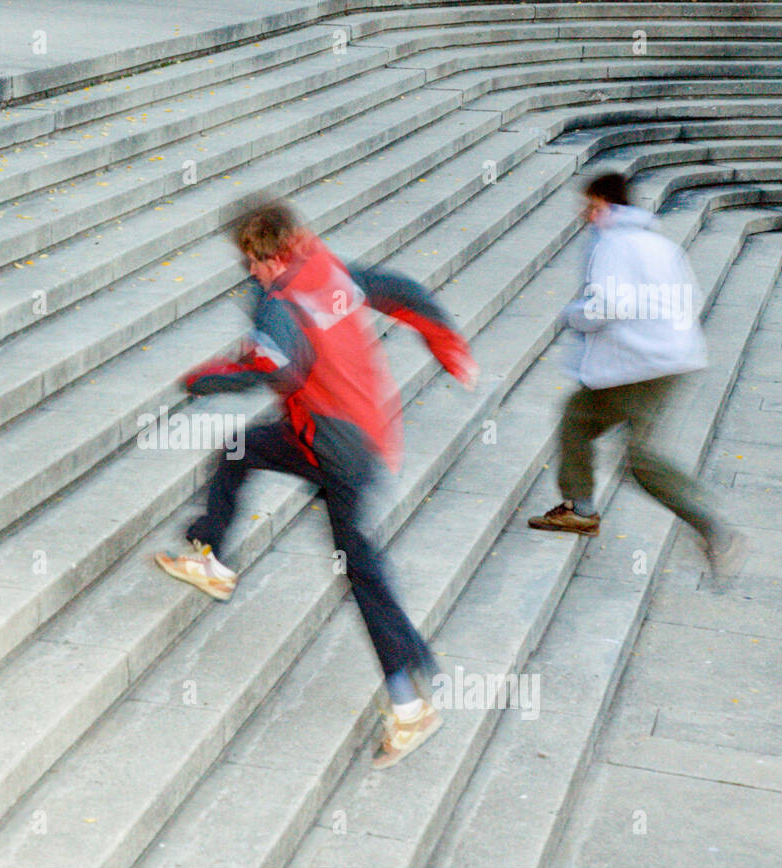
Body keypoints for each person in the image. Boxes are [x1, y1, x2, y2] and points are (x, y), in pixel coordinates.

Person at [155, 201, 478, 769]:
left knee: (361, 568)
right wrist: (447, 344)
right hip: (356, 431)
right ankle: (211, 556)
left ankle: (410, 705)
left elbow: (278, 367)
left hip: (335, 448)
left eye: (251, 264)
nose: (249, 274)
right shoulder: (327, 268)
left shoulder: (282, 299)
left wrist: (203, 379)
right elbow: (398, 290)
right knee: (242, 451)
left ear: (270, 257)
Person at [528, 172, 747, 580]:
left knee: (640, 459)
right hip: (663, 358)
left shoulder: (613, 244)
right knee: (577, 417)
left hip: (642, 365)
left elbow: (609, 304)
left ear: (606, 206)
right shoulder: (658, 243)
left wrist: (572, 315)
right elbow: (692, 296)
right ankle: (579, 509)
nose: (585, 215)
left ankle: (715, 530)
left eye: (590, 206)